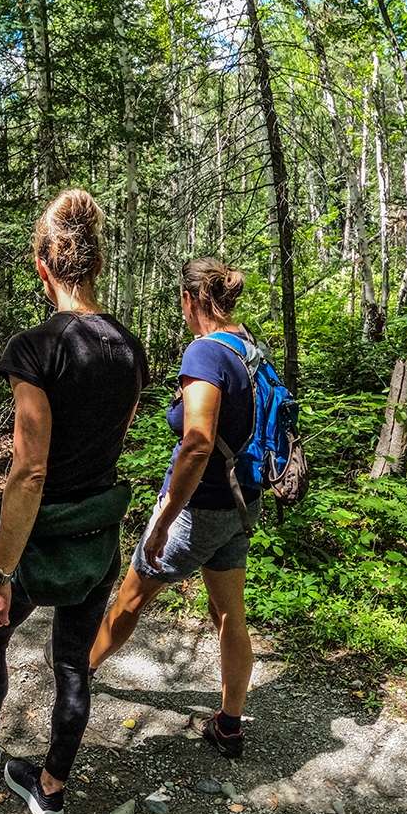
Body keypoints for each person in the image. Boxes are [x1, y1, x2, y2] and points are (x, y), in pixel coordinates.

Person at [0, 188, 148, 814]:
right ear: (98, 264)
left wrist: (0, 572)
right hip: (98, 535)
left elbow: (29, 470)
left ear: (42, 265)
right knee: (73, 664)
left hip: (41, 535)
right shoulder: (130, 348)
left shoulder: (36, 349)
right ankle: (51, 787)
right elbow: (111, 439)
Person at [86, 256, 261, 759]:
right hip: (241, 501)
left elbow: (198, 441)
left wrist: (163, 520)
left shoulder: (205, 354)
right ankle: (229, 723)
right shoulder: (249, 347)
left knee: (132, 596)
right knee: (230, 613)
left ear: (190, 299)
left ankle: (80, 672)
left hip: (198, 506)